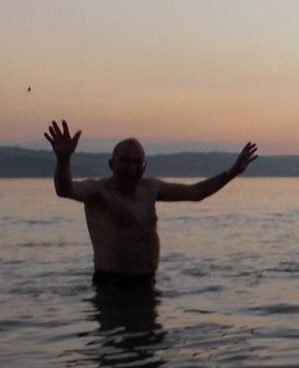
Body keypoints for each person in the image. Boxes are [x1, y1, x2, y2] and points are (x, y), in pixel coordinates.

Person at [45, 120, 258, 284]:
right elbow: (66, 189)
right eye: (125, 161)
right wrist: (63, 159)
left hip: (148, 282)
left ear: (145, 165)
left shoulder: (150, 188)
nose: (132, 168)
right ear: (111, 164)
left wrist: (232, 173)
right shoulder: (99, 191)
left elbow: (196, 192)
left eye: (138, 162)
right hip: (113, 285)